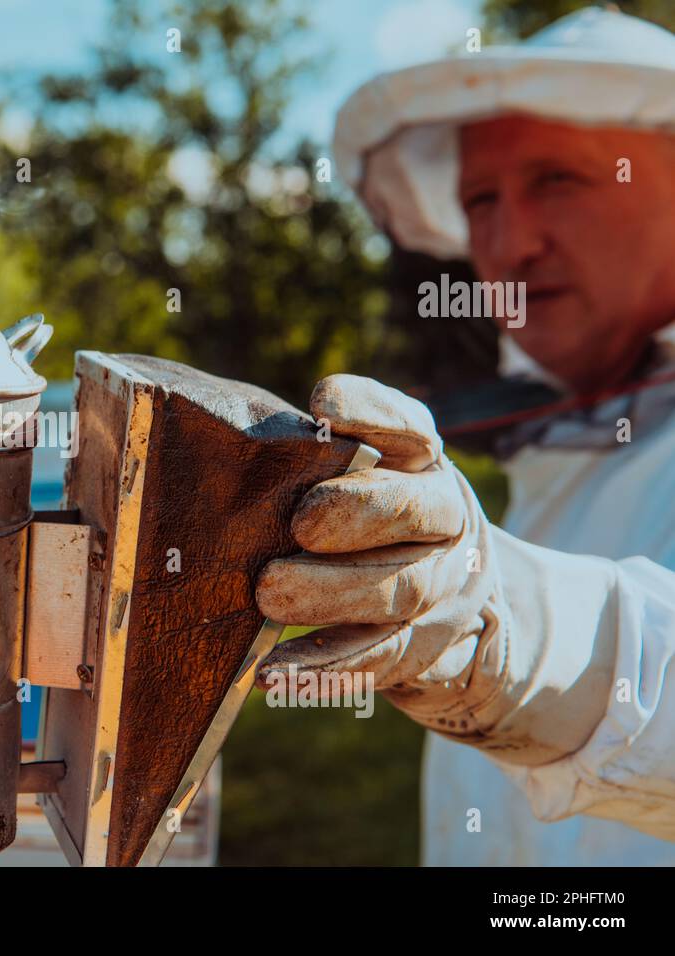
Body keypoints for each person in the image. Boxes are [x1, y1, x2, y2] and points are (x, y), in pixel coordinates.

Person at [254, 6, 675, 864]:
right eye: (482, 199)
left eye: (561, 180)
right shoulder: (553, 447)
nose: (511, 243)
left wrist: (494, 623)